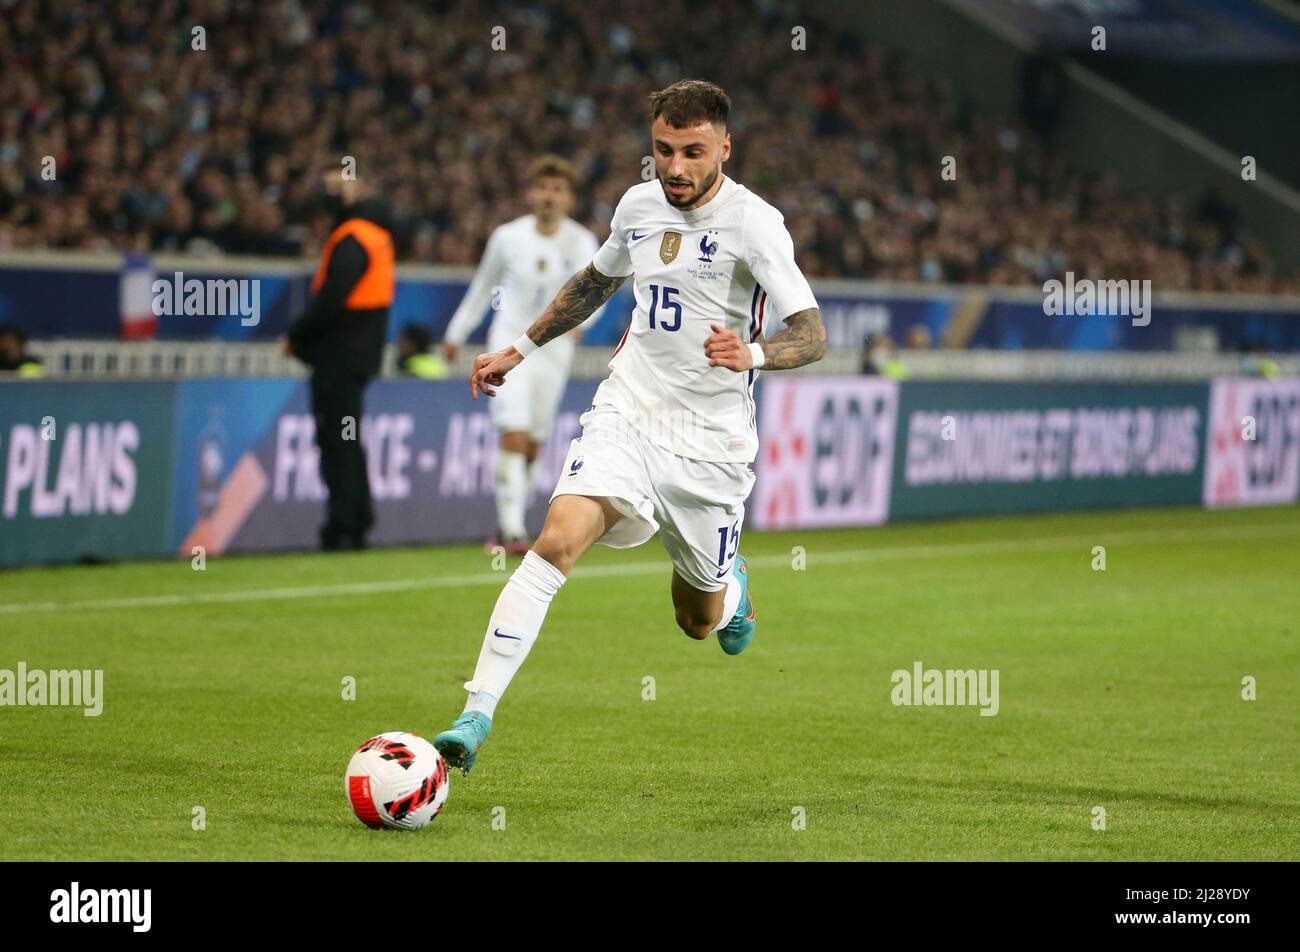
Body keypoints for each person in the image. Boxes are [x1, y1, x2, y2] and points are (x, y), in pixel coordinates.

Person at [432, 80, 827, 774]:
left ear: (724, 148)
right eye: (663, 150)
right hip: (629, 411)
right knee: (555, 539)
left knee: (696, 622)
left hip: (710, 444)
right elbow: (594, 282)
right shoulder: (638, 205)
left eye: (693, 152)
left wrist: (755, 353)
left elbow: (813, 333)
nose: (675, 168)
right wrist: (517, 351)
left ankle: (729, 586)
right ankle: (475, 712)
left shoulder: (756, 223)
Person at [442, 155, 604, 555]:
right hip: (507, 347)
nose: (549, 196)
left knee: (533, 443)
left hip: (553, 352)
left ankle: (505, 528)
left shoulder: (582, 241)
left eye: (558, 189)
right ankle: (514, 532)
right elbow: (483, 287)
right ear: (531, 194)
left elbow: (602, 289)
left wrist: (584, 322)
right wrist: (456, 333)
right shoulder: (507, 237)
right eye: (543, 188)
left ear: (568, 198)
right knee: (512, 435)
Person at [284, 174, 393, 551]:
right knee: (346, 439)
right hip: (359, 356)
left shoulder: (352, 236)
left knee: (337, 441)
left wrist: (298, 335)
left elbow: (332, 296)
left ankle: (345, 524)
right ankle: (355, 519)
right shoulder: (375, 233)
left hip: (339, 357)